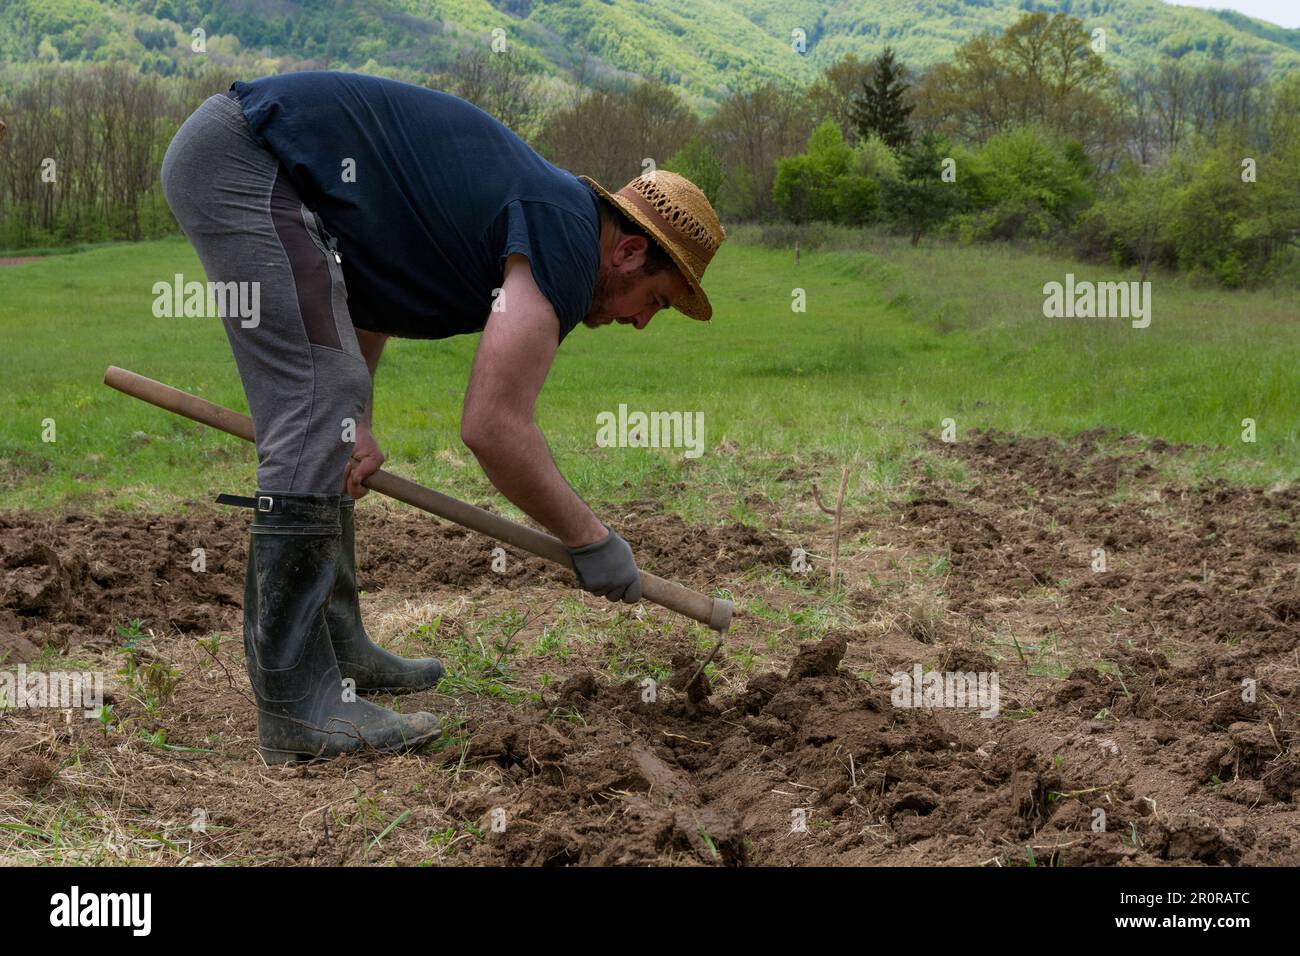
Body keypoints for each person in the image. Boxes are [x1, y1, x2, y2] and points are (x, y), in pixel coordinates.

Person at [160, 71, 726, 764]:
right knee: (313, 409)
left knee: (331, 410)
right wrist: (591, 540)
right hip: (246, 157)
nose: (640, 323)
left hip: (264, 161)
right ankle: (296, 709)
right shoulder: (565, 238)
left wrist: (355, 419)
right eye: (656, 301)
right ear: (631, 251)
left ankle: (339, 651)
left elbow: (370, 285)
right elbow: (493, 425)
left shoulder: (558, 221)